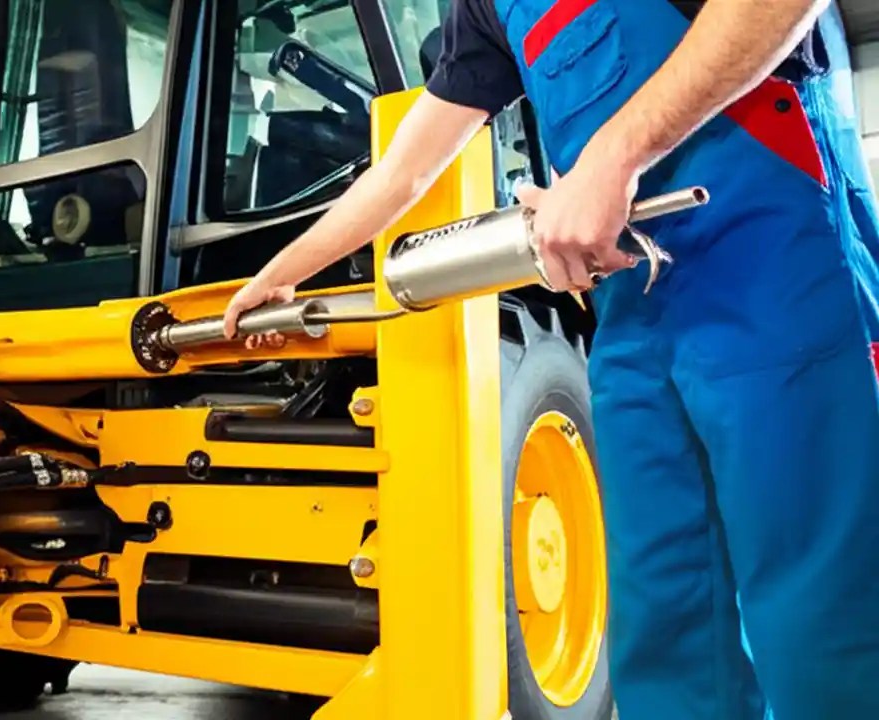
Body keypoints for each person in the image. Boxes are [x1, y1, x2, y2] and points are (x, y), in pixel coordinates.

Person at [221, 2, 879, 719]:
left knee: (823, 620)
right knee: (666, 627)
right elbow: (402, 174)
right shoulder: (486, 9)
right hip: (634, 306)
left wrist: (611, 159)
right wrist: (284, 274)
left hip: (775, 272)